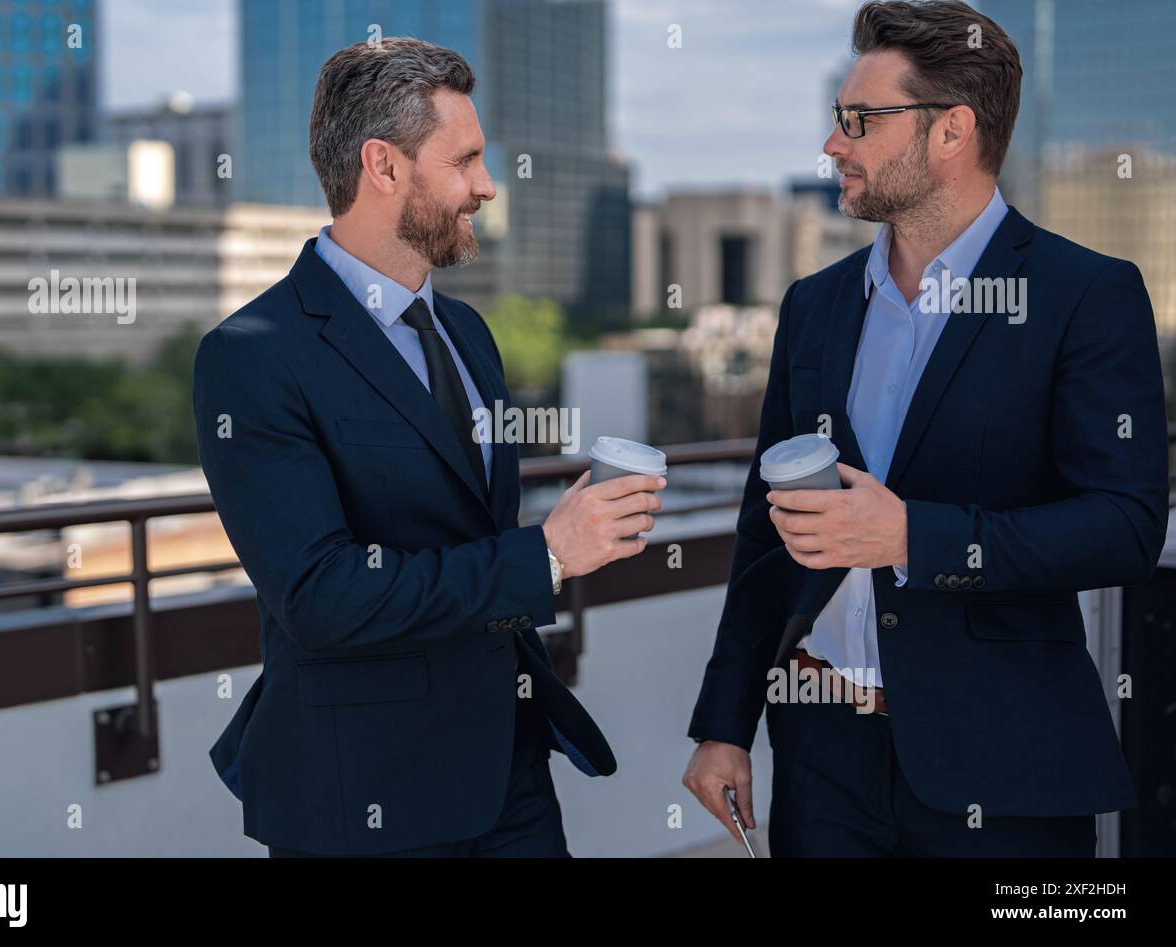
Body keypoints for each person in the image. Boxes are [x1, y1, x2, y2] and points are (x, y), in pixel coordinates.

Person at [683, 0, 1167, 857]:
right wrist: (725, 724)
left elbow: (1125, 525)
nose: (835, 144)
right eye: (839, 121)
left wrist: (911, 534)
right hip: (822, 761)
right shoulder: (814, 305)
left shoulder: (1085, 295)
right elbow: (768, 530)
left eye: (861, 121)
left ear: (952, 132)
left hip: (1004, 762)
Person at [193, 37, 662, 857]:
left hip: (508, 771)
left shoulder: (471, 334)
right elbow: (321, 596)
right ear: (384, 166)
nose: (486, 186)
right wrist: (545, 556)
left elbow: (462, 526)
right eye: (467, 160)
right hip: (362, 795)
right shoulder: (253, 354)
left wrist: (570, 533)